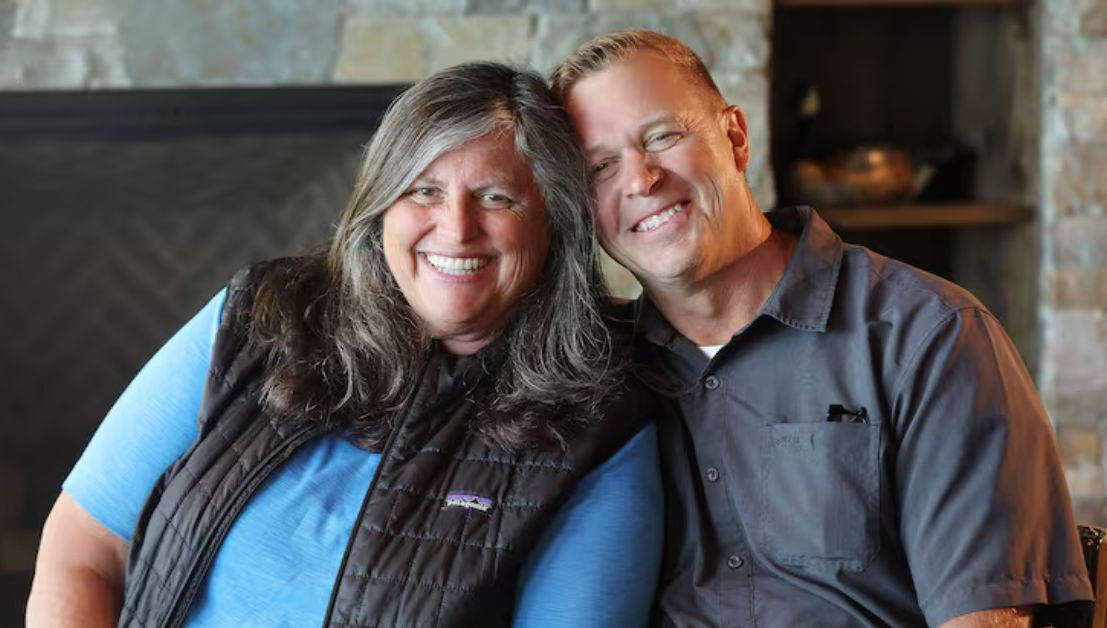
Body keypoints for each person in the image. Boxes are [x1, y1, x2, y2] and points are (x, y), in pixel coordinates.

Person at [27, 61, 662, 628]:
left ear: (552, 222)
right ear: (382, 207)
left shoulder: (599, 424)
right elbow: (84, 548)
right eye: (424, 190)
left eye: (496, 197)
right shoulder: (260, 313)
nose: (456, 228)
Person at [552, 30, 1094, 628]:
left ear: (736, 138)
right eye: (600, 167)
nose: (640, 180)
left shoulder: (929, 338)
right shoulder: (598, 374)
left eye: (662, 137)